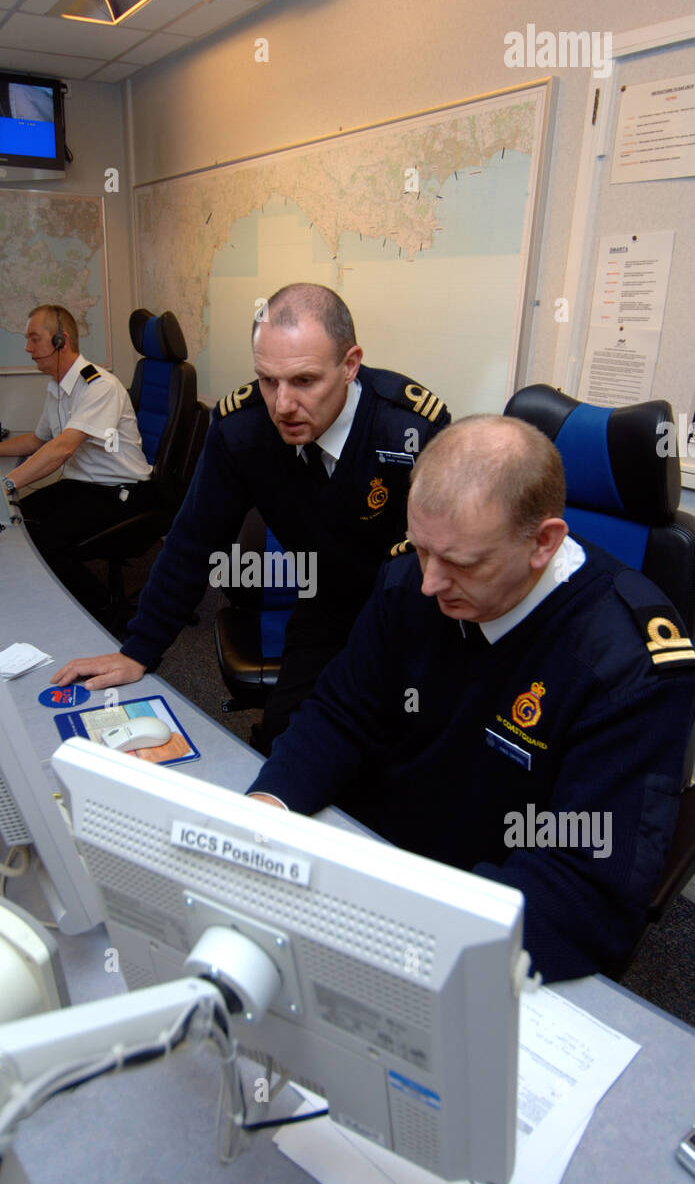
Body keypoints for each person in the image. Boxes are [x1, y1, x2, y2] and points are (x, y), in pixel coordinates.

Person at [247, 415, 695, 982]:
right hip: (382, 859)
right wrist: (267, 806)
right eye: (421, 549)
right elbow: (341, 713)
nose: (430, 582)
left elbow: (584, 885)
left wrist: (414, 933)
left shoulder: (629, 665)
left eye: (459, 563)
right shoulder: (411, 582)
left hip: (481, 914)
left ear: (544, 542)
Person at [51, 283, 450, 752]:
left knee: (410, 754)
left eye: (304, 381)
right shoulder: (241, 427)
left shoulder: (409, 428)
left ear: (350, 364)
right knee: (284, 741)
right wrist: (138, 650)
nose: (282, 404)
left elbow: (450, 559)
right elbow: (192, 542)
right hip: (326, 604)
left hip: (413, 612)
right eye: (268, 380)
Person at [0, 304, 152, 619]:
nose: (28, 348)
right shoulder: (57, 386)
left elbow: (63, 448)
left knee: (40, 539)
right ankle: (59, 602)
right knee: (16, 519)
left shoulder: (99, 386)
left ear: (60, 342)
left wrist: (7, 483)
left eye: (34, 339)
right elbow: (37, 440)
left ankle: (102, 613)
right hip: (82, 486)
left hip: (120, 494)